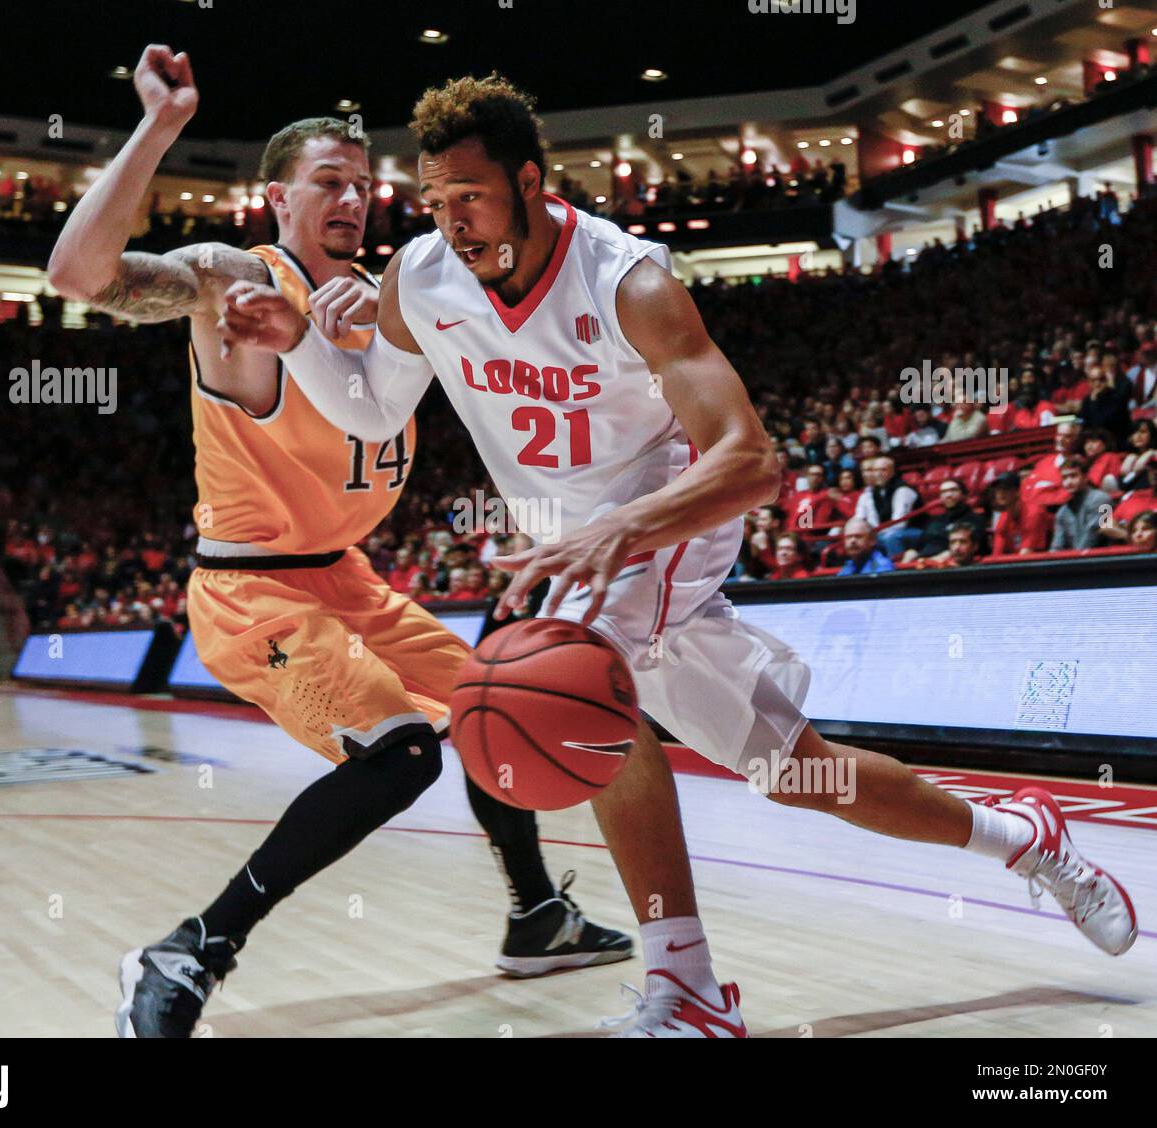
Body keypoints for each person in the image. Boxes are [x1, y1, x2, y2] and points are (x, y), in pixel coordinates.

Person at [219, 72, 1138, 1036]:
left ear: (530, 181)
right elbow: (370, 408)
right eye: (436, 202)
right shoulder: (420, 278)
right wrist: (300, 344)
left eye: (472, 198)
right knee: (798, 773)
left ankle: (688, 986)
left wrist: (624, 529)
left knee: (582, 669)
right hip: (576, 545)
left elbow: (755, 463)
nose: (452, 222)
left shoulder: (629, 282)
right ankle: (1027, 838)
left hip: (670, 520)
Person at [47, 47, 627, 1039]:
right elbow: (76, 275)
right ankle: (192, 946)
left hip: (346, 578)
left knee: (489, 710)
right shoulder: (232, 282)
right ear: (276, 196)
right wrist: (159, 128)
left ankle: (537, 917)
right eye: (328, 183)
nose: (352, 200)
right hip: (251, 589)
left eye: (363, 187)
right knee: (404, 756)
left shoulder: (391, 297)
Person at [1049, 458, 1111, 551]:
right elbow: (1057, 546)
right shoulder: (1062, 512)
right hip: (1078, 560)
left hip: (1105, 559)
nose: (1069, 482)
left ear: (1085, 477)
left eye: (1073, 476)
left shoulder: (1102, 499)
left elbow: (1094, 535)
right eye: (1065, 478)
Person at [986, 473, 1052, 556]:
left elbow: (1026, 554)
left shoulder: (1033, 513)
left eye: (1006, 488)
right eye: (997, 489)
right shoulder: (1003, 517)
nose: (1000, 493)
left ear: (1017, 492)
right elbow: (996, 554)